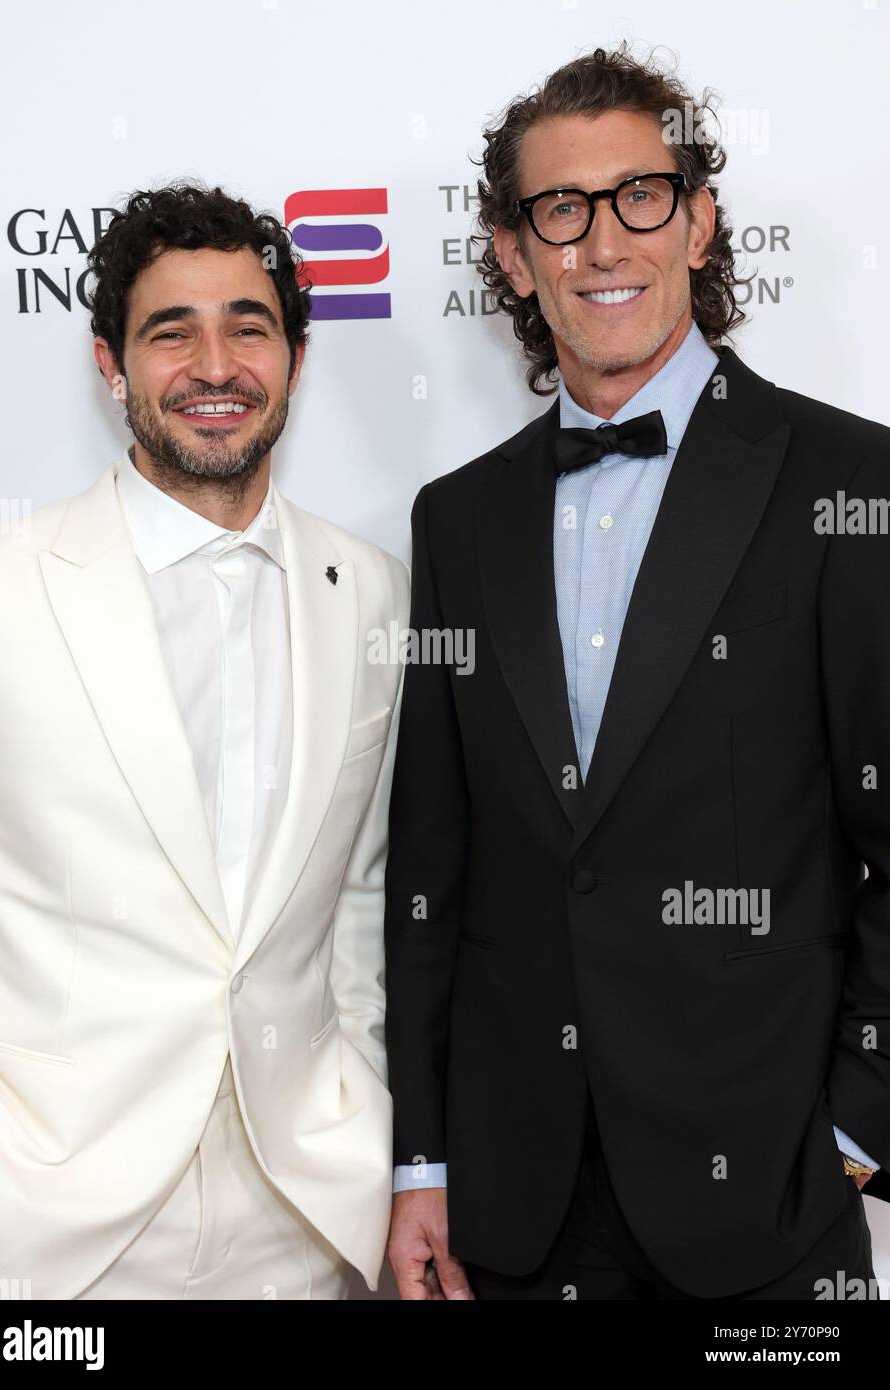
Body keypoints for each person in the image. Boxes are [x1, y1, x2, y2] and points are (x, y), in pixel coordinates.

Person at [384, 44, 890, 1300]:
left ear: (699, 222)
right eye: (561, 209)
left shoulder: (849, 483)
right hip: (515, 1211)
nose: (603, 242)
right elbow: (431, 870)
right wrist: (419, 1163)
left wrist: (853, 1137)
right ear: (513, 253)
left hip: (766, 1211)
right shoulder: (455, 518)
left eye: (639, 197)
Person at [0, 181, 408, 1300]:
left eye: (247, 328)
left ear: (296, 359)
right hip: (44, 1226)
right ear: (110, 363)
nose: (215, 368)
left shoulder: (373, 591)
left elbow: (359, 898)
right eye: (172, 332)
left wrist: (367, 1125)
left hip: (305, 1217)